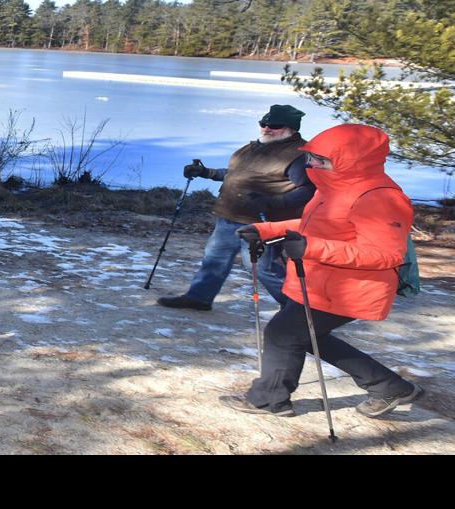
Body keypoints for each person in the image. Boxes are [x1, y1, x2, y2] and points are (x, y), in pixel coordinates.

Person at [222, 123, 422, 419]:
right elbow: (311, 227)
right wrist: (267, 230)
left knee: (284, 333)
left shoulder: (380, 197)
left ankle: (268, 399)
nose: (312, 164)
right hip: (320, 282)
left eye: (321, 159)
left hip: (352, 288)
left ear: (351, 161)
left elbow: (386, 254)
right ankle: (389, 386)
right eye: (311, 157)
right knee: (307, 336)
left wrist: (310, 248)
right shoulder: (333, 187)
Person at [156, 104, 314, 312]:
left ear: (291, 129)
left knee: (261, 268)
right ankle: (199, 298)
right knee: (215, 257)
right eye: (263, 123)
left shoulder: (298, 155)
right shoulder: (254, 147)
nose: (266, 128)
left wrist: (271, 202)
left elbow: (308, 190)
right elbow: (234, 173)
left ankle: (298, 308)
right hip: (230, 214)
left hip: (263, 222)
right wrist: (206, 172)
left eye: (273, 125)